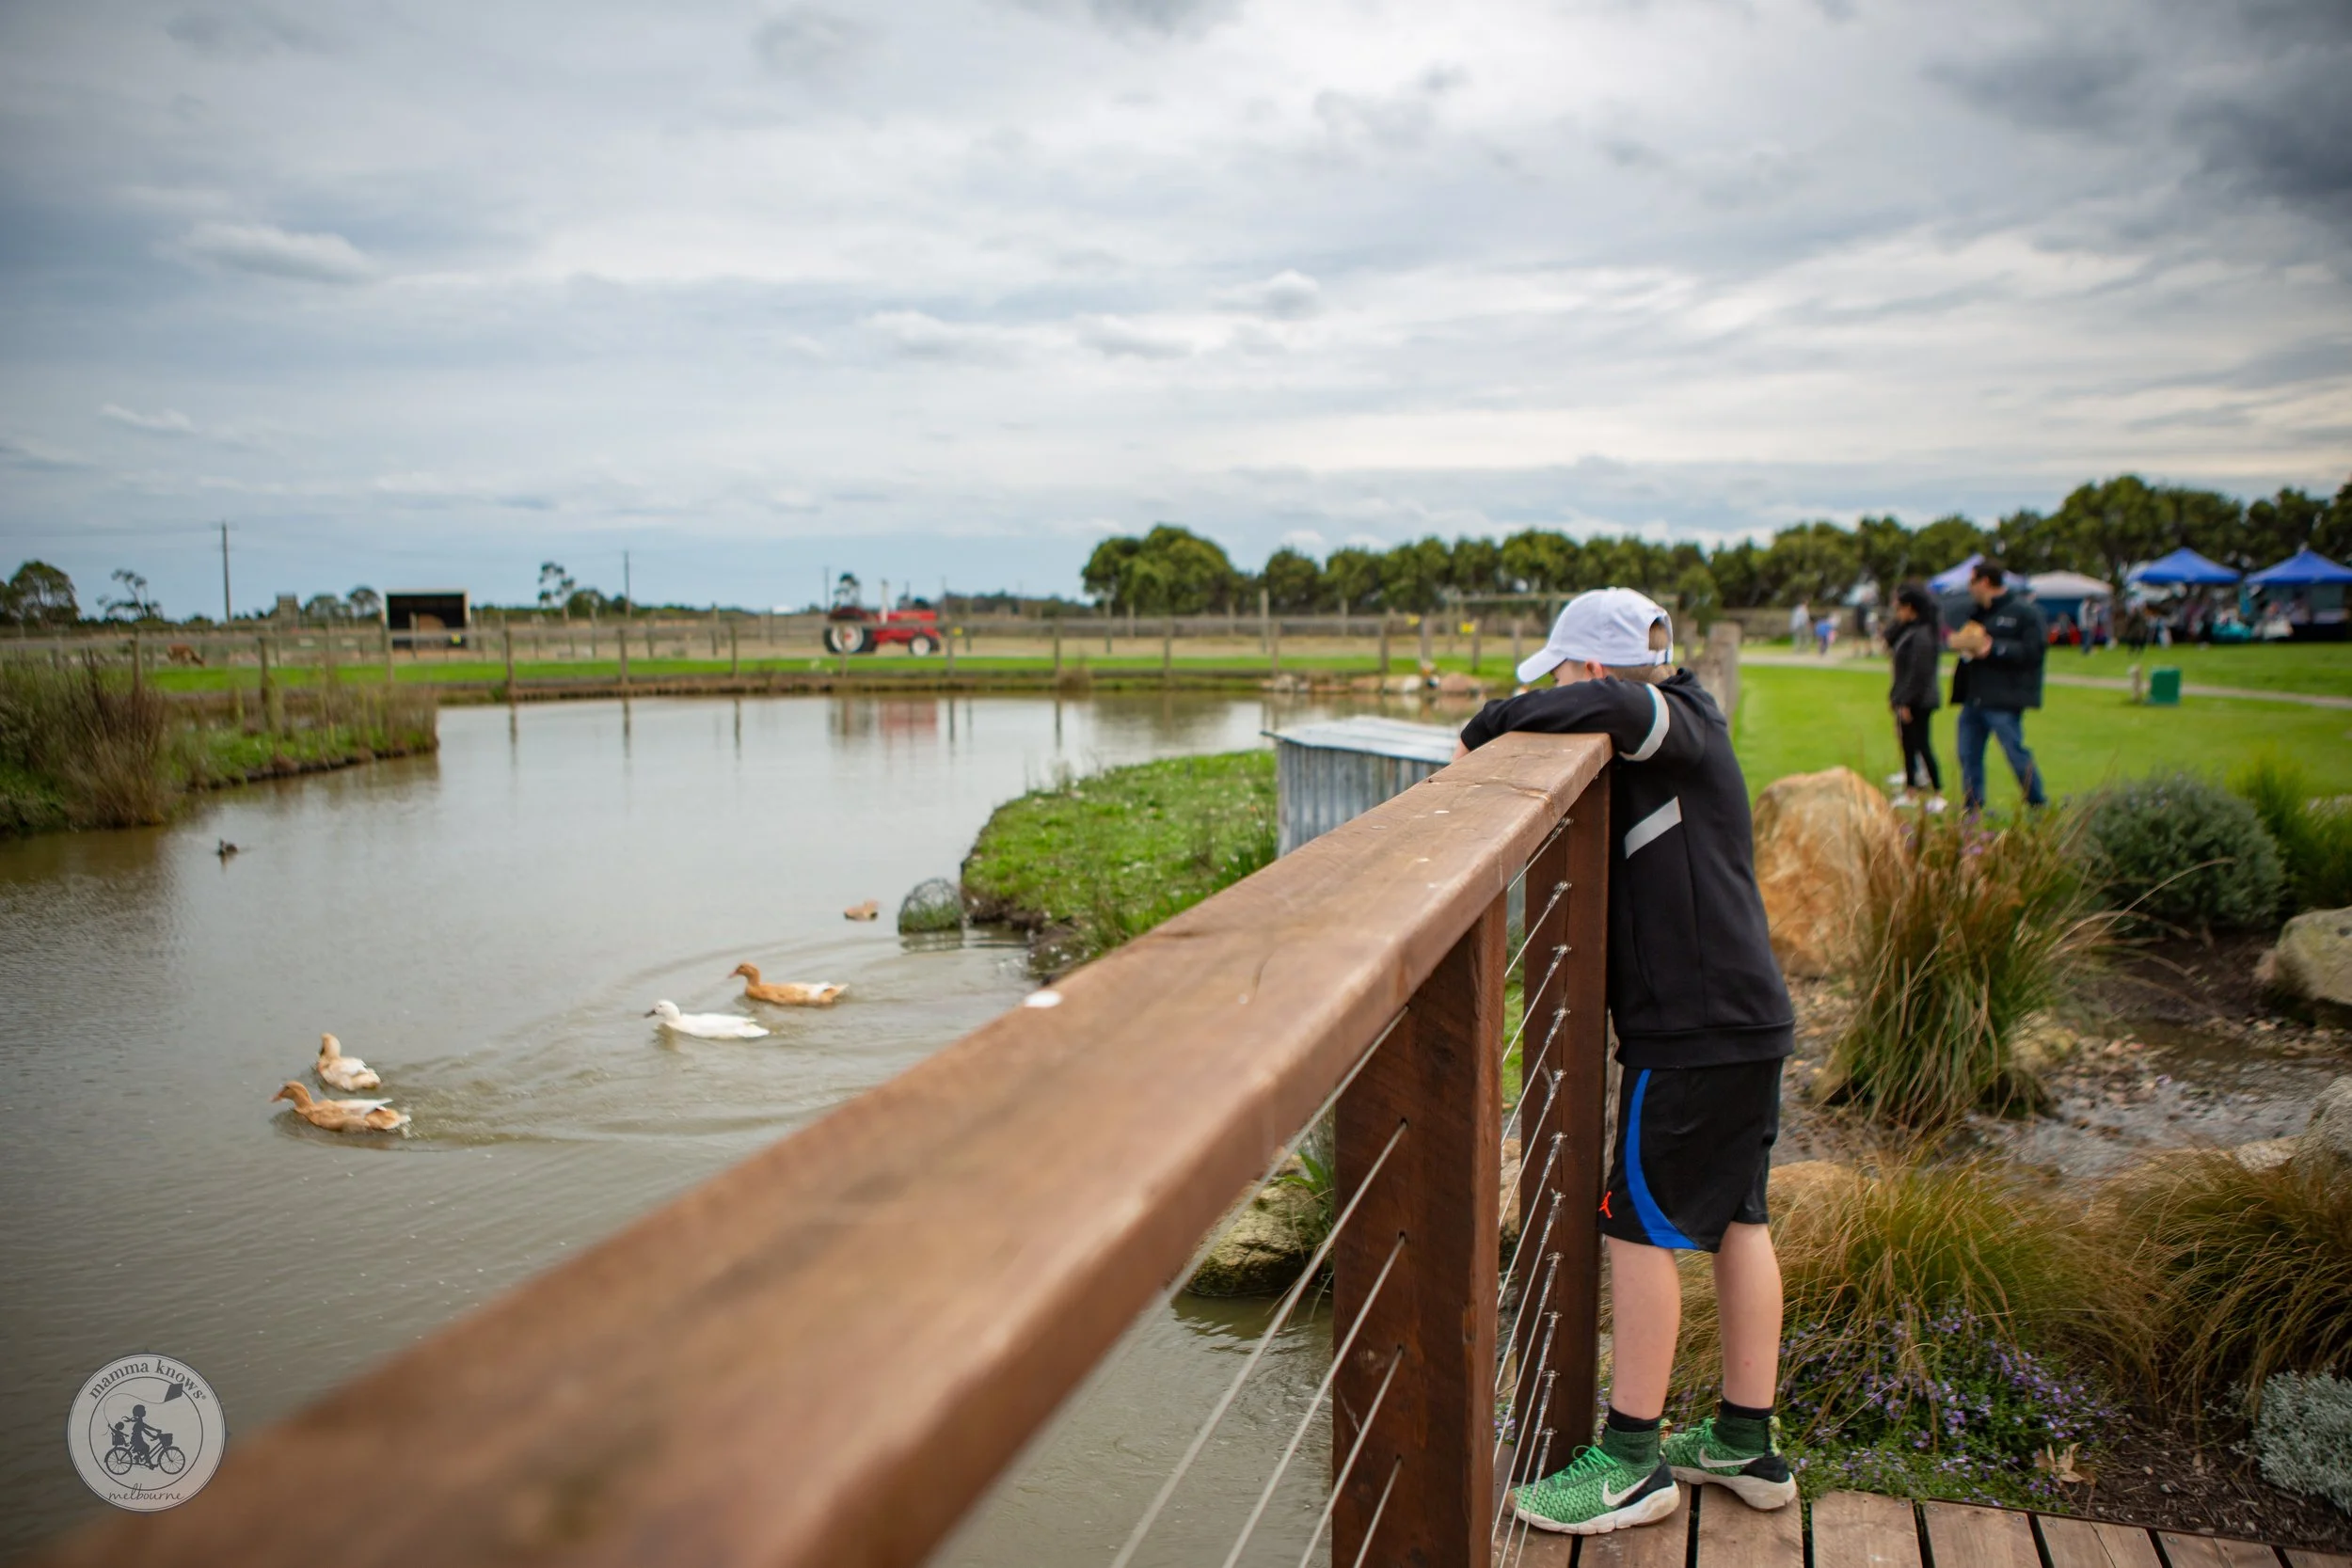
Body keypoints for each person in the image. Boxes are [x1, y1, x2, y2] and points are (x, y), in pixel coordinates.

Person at [1454, 588, 1797, 1536]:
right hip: (1740, 1021)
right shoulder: (1688, 721)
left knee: (1635, 1224)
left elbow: (1615, 708)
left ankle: (1631, 1461)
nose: (1557, 687)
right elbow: (1613, 704)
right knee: (1736, 1217)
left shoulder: (1668, 717)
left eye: (1560, 669)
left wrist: (1487, 724)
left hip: (1690, 1033)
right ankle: (1743, 1438)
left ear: (1595, 667)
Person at [1948, 559, 2046, 811]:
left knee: (2015, 752)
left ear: (1985, 582)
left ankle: (2038, 803)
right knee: (1967, 755)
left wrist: (1996, 648)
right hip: (1974, 695)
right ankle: (1973, 809)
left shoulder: (2024, 612)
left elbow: (2034, 651)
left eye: (1972, 582)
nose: (1969, 588)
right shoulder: (1977, 612)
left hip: (2004, 697)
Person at [1884, 582, 1945, 811]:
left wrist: (1907, 701)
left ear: (1910, 608)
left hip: (1919, 700)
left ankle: (1938, 792)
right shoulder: (1909, 629)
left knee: (1922, 744)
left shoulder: (1923, 635)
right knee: (1908, 744)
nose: (1897, 612)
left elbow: (1919, 673)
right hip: (1906, 697)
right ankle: (1911, 791)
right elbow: (1889, 638)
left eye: (1900, 607)